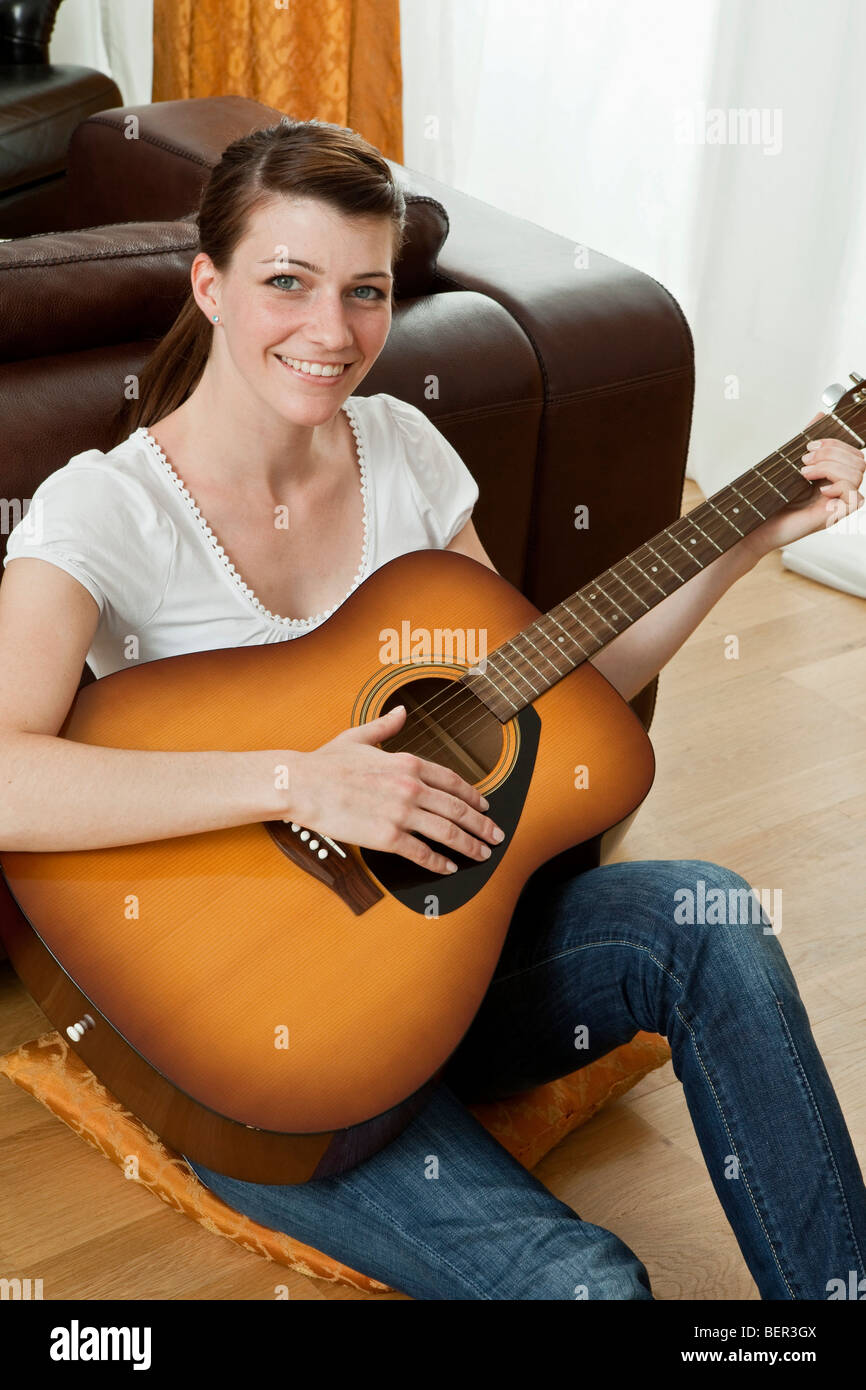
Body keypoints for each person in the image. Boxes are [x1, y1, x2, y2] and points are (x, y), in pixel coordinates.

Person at [1, 117, 864, 1302]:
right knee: (589, 1288)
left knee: (709, 910)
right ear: (208, 284)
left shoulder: (399, 444)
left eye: (366, 291)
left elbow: (547, 696)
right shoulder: (98, 512)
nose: (331, 331)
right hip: (272, 1043)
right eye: (286, 283)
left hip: (456, 959)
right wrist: (299, 777)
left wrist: (748, 536)